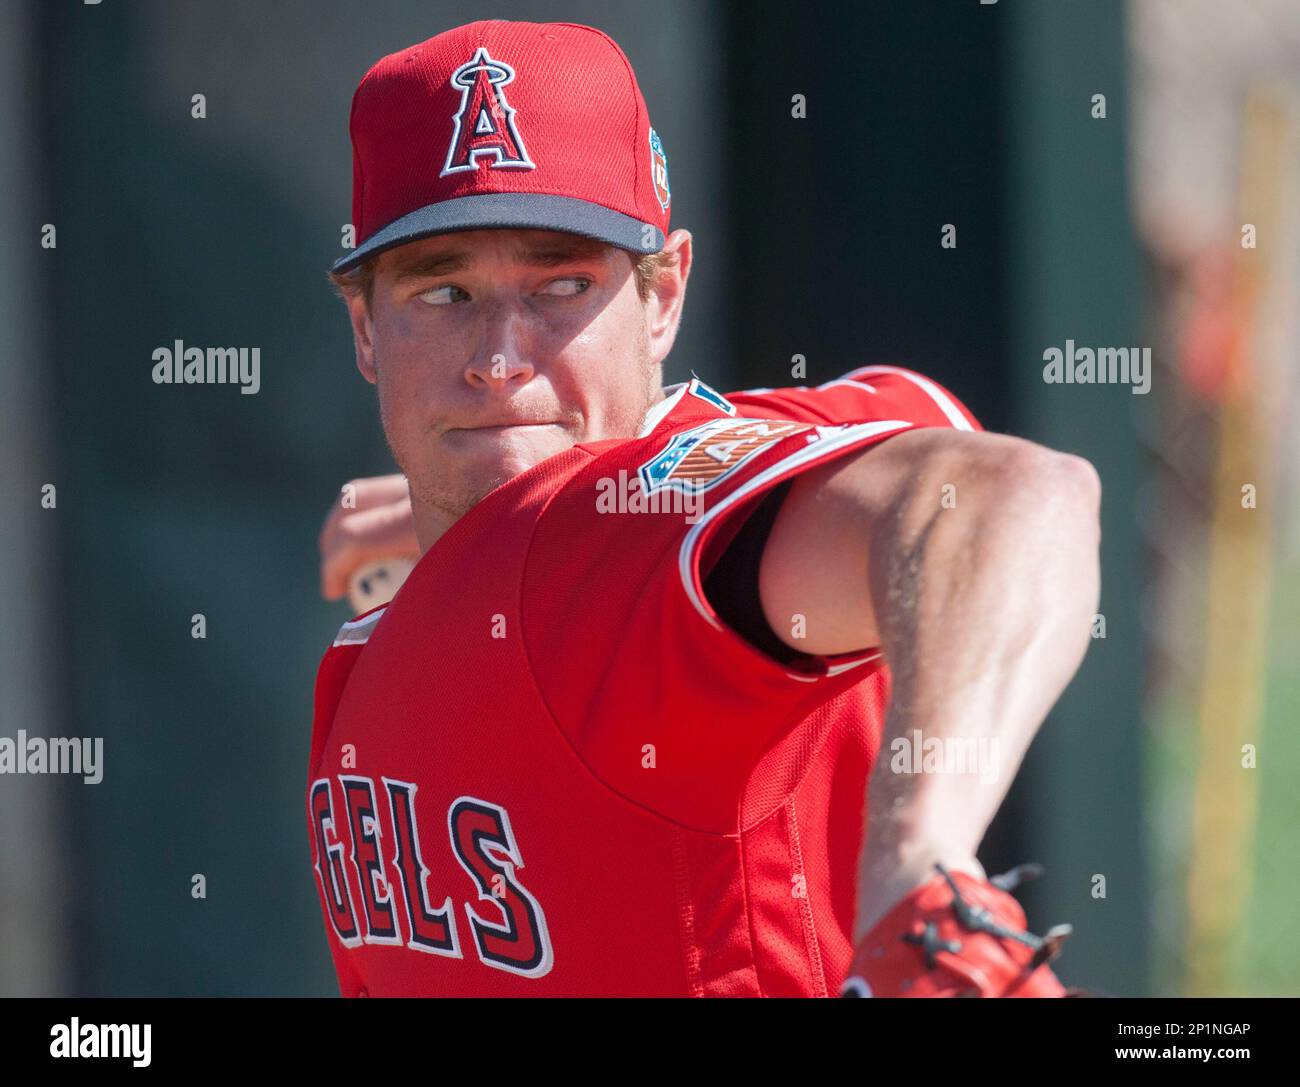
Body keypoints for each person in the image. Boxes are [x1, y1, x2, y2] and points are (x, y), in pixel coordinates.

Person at [308, 19, 1101, 997]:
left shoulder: (623, 550)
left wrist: (921, 870)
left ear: (664, 295)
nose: (499, 355)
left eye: (561, 284)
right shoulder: (414, 634)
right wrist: (458, 528)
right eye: (443, 291)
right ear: (365, 328)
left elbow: (1013, 493)